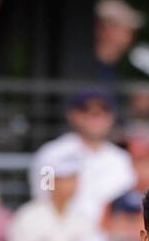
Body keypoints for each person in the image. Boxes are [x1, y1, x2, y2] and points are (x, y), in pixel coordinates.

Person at [28, 90, 135, 227]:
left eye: (103, 111)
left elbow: (124, 206)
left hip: (107, 238)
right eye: (87, 110)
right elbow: (42, 197)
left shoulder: (122, 160)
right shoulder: (51, 155)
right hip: (59, 234)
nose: (96, 117)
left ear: (111, 117)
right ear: (72, 115)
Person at [8, 144, 94, 241]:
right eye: (63, 178)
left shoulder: (84, 219)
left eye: (73, 178)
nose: (70, 184)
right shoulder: (28, 216)